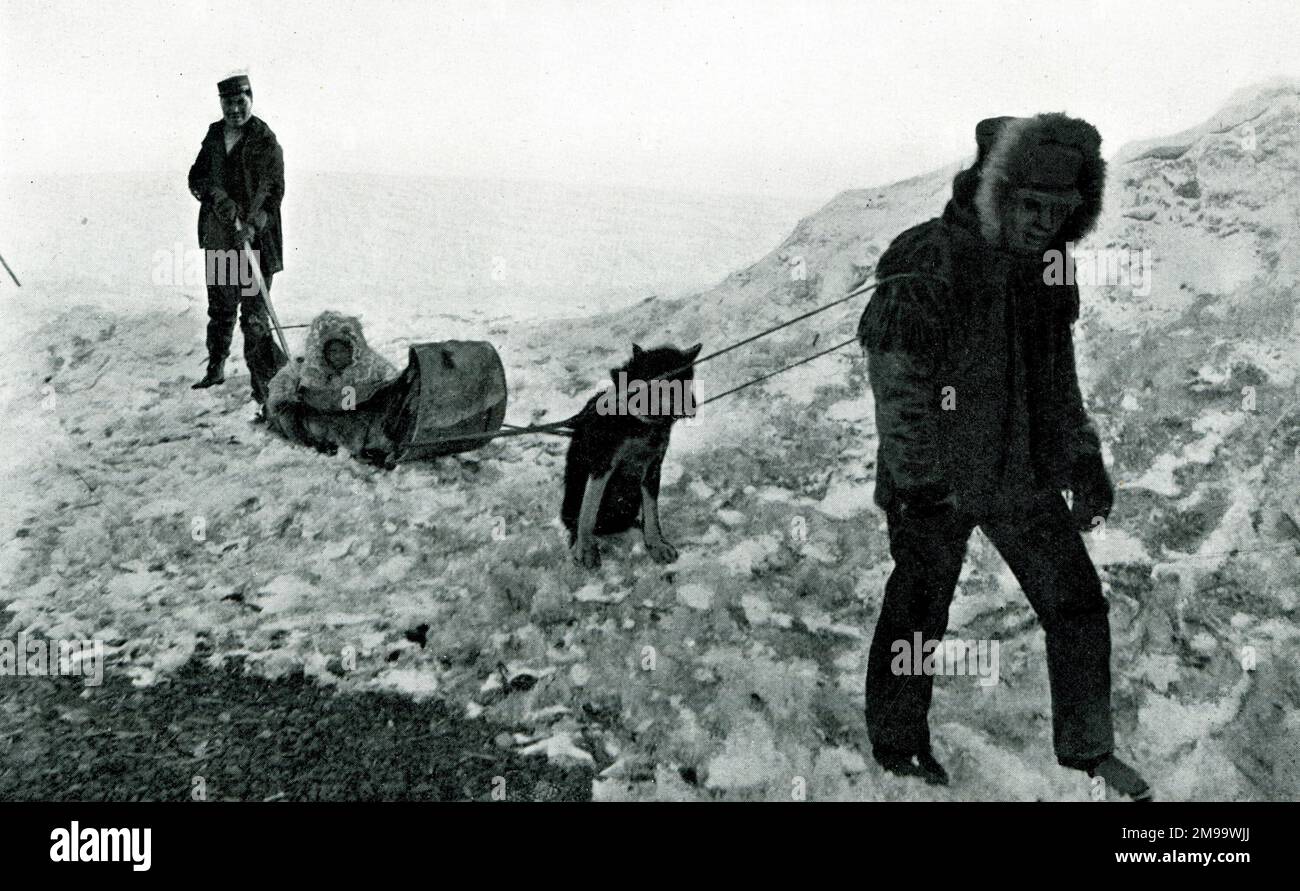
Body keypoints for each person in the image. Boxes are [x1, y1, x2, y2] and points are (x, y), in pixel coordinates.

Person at [856, 113, 1151, 800]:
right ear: (997, 192)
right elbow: (897, 388)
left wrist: (1083, 457)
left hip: (1017, 468)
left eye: (1061, 210)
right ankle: (898, 745)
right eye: (1032, 206)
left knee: (1076, 601)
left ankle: (1088, 747)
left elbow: (1058, 374)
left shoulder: (1048, 267)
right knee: (918, 612)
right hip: (935, 477)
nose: (1045, 223)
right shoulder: (923, 258)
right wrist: (924, 482)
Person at [187, 72, 288, 404]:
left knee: (255, 317)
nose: (234, 110)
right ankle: (215, 368)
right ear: (221, 104)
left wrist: (253, 224)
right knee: (220, 309)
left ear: (251, 99)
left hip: (255, 243)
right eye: (228, 103)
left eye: (240, 102)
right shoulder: (215, 135)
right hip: (220, 238)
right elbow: (197, 175)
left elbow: (273, 191)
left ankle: (264, 388)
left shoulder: (264, 139)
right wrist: (218, 198)